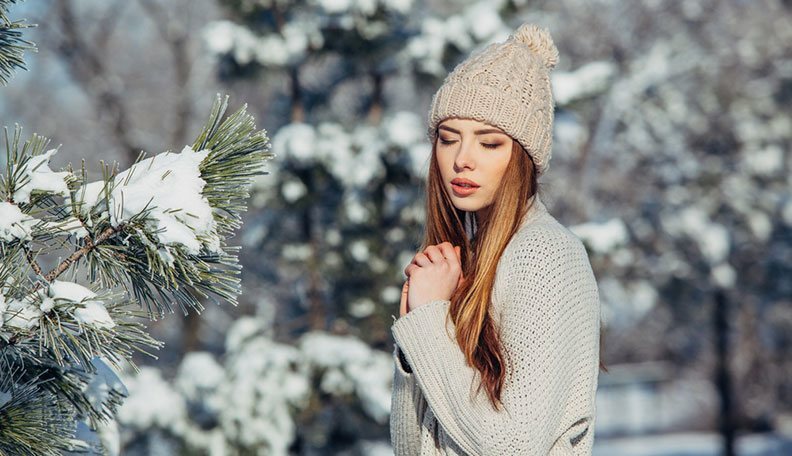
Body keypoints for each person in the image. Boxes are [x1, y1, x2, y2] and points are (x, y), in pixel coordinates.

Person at [389, 23, 604, 455]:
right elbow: (410, 449)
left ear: (523, 158)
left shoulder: (545, 255)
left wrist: (429, 319)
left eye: (489, 143)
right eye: (448, 139)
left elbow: (514, 446)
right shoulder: (457, 265)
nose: (461, 159)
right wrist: (418, 348)